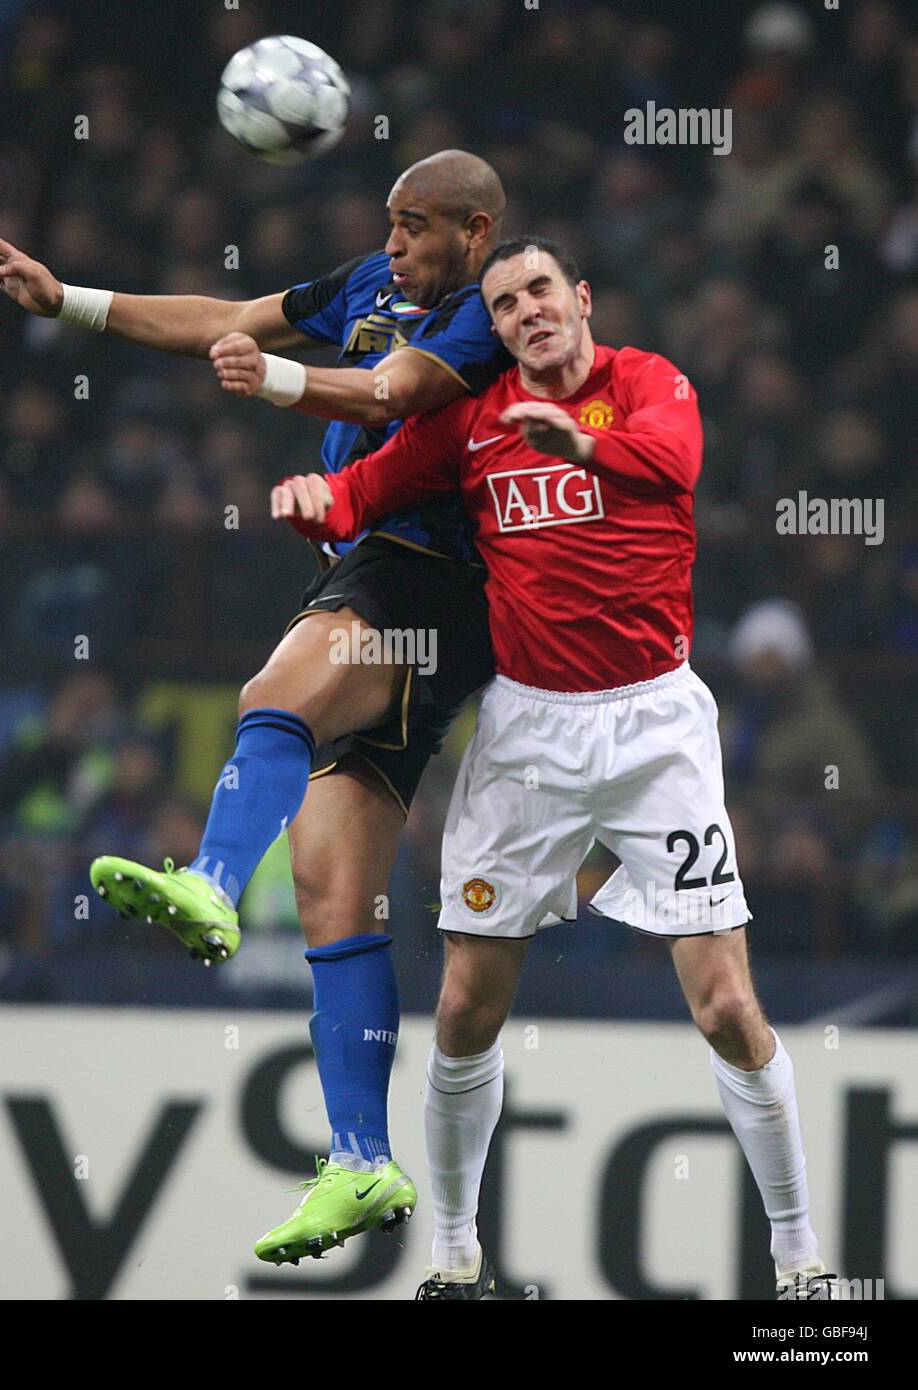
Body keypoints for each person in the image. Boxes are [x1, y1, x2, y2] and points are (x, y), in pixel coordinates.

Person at [0, 151, 512, 1262]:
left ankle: (210, 880)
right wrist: (69, 298)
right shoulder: (368, 283)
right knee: (332, 888)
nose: (396, 242)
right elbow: (228, 314)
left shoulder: (486, 314)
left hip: (425, 571)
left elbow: (395, 393)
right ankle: (360, 1159)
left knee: (274, 694)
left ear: (477, 232)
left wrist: (271, 383)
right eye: (390, 223)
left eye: (417, 226)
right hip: (375, 570)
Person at [273, 235, 836, 1301]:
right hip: (527, 735)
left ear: (578, 299)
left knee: (722, 1005)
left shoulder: (647, 383)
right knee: (461, 1010)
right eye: (505, 300)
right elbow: (369, 493)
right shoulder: (471, 423)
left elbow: (672, 464)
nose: (526, 308)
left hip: (652, 729)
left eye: (541, 289)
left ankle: (799, 1259)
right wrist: (319, 501)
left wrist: (574, 445)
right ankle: (451, 1263)